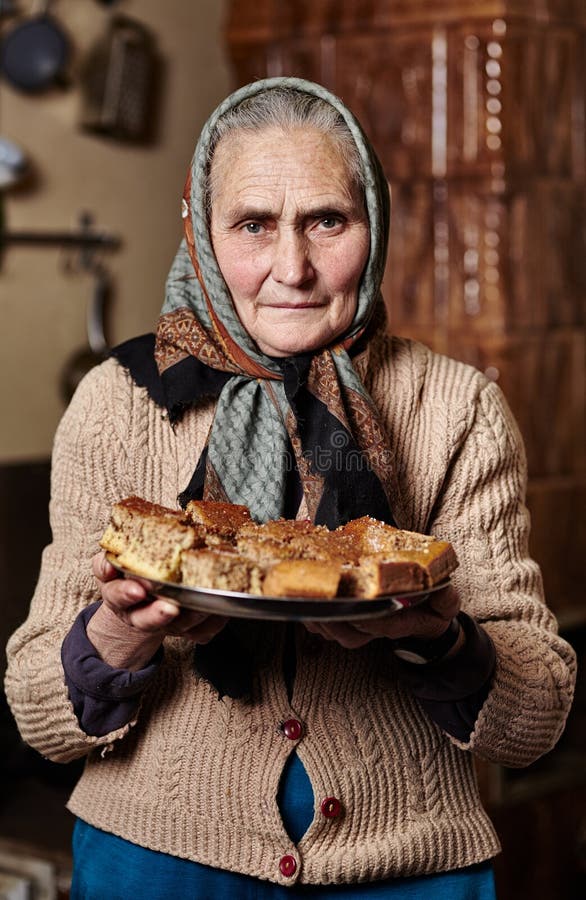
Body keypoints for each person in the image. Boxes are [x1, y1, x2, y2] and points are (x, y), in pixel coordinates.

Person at [5, 77, 576, 899]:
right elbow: (36, 713)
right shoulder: (120, 402)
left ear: (373, 227)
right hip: (156, 860)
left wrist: (433, 638)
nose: (292, 267)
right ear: (202, 234)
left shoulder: (457, 407)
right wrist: (122, 635)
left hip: (407, 868)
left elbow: (534, 724)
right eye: (252, 225)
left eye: (327, 221)